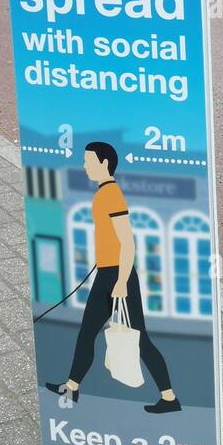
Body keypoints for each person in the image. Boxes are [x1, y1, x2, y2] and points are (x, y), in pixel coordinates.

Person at [45, 141, 181, 414]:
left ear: (105, 164)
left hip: (118, 275)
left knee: (139, 337)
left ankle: (169, 398)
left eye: (89, 161)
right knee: (87, 333)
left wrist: (120, 281)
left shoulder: (112, 195)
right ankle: (72, 387)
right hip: (108, 272)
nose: (85, 166)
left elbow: (128, 243)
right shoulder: (103, 194)